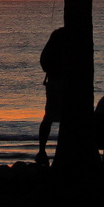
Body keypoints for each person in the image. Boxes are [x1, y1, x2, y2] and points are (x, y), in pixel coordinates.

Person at [35, 26, 68, 166]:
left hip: (54, 82)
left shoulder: (56, 36)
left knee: (48, 117)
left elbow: (43, 60)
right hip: (60, 82)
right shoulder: (67, 37)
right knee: (62, 118)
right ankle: (43, 151)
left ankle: (42, 150)